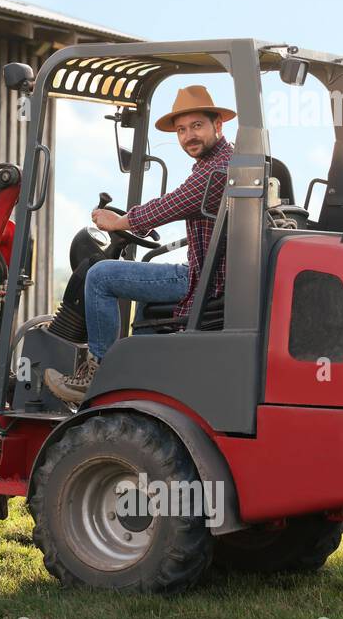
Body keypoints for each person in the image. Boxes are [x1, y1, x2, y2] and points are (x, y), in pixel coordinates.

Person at [45, 85, 235, 404]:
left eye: (197, 126)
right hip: (210, 274)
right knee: (144, 299)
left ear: (218, 125)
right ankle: (140, 377)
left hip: (204, 280)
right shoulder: (218, 164)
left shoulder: (217, 170)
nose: (189, 136)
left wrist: (118, 222)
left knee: (100, 276)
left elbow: (171, 205)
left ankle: (99, 374)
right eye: (181, 130)